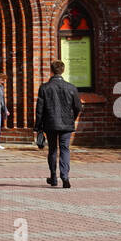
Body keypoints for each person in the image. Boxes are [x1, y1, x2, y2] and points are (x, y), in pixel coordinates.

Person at [34, 59, 83, 188]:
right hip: (67, 123)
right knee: (65, 149)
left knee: (52, 150)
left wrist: (38, 126)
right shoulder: (71, 87)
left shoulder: (44, 88)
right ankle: (65, 176)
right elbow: (78, 106)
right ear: (63, 70)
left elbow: (39, 109)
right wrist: (72, 118)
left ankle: (53, 177)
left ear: (51, 70)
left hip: (50, 123)